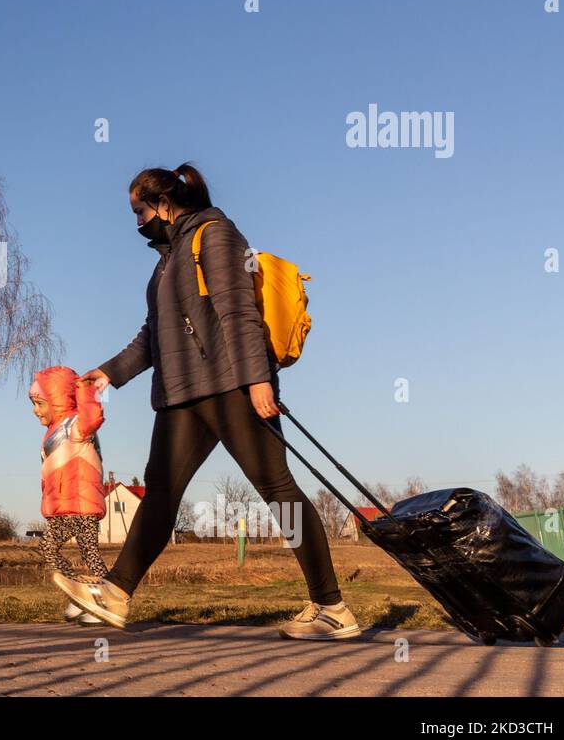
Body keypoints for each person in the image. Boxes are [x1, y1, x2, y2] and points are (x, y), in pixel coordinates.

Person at [53, 164, 361, 639]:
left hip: (231, 386)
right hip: (180, 395)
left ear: (163, 203)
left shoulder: (216, 236)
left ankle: (331, 607)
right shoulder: (166, 261)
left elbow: (239, 312)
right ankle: (114, 594)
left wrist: (258, 381)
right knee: (160, 493)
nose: (137, 223)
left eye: (139, 212)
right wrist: (109, 372)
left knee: (278, 490)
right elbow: (153, 335)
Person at [30, 366, 110, 626]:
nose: (35, 410)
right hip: (66, 507)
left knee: (71, 551)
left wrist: (84, 389)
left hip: (81, 506)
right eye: (33, 404)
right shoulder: (53, 431)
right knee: (80, 552)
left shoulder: (77, 425)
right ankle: (87, 596)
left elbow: (93, 416)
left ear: (58, 401)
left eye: (40, 403)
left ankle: (99, 599)